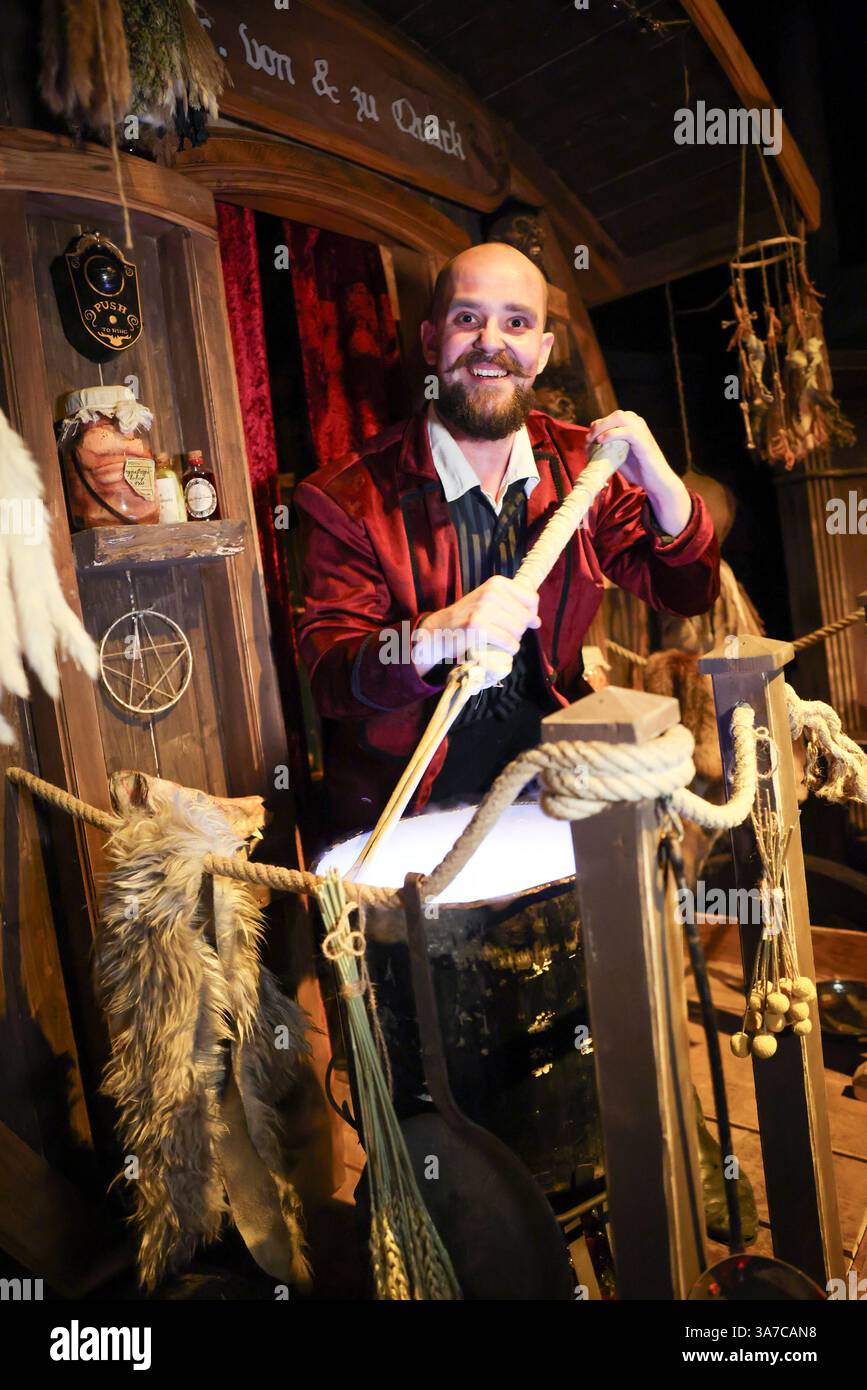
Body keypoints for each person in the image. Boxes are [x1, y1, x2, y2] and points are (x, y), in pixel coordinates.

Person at [293, 242, 720, 839]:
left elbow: (687, 593)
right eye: (467, 318)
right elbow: (332, 680)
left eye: (516, 322)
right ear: (429, 340)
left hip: (554, 782)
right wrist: (438, 633)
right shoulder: (345, 497)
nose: (490, 342)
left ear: (541, 351)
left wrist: (664, 486)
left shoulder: (583, 466)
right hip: (410, 809)